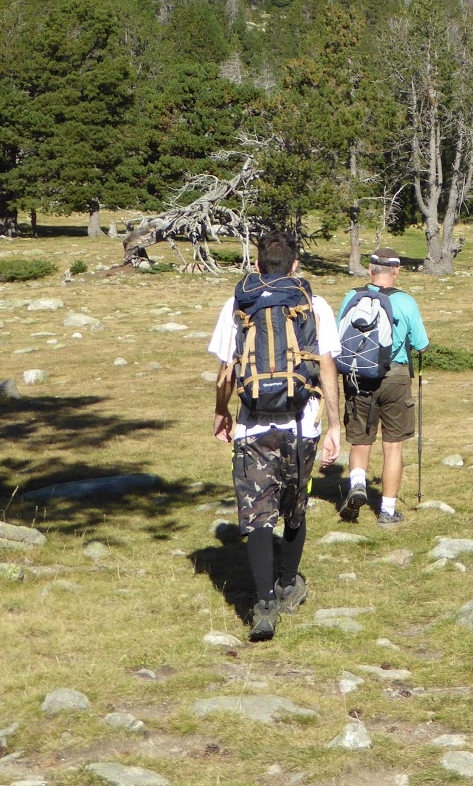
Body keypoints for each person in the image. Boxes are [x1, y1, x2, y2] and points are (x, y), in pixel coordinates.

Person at [209, 232, 342, 641]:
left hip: (252, 425)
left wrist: (221, 411)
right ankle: (287, 583)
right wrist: (335, 425)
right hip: (301, 423)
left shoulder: (238, 303)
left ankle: (263, 603)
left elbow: (228, 369)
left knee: (257, 513)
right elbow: (326, 368)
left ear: (257, 266)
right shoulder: (313, 304)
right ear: (296, 264)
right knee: (294, 505)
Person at [338, 246, 429, 526]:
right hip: (395, 376)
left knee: (360, 440)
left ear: (370, 270)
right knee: (393, 446)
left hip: (358, 377)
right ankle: (387, 511)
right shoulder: (406, 302)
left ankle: (357, 484)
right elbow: (422, 345)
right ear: (397, 271)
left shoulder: (352, 297)